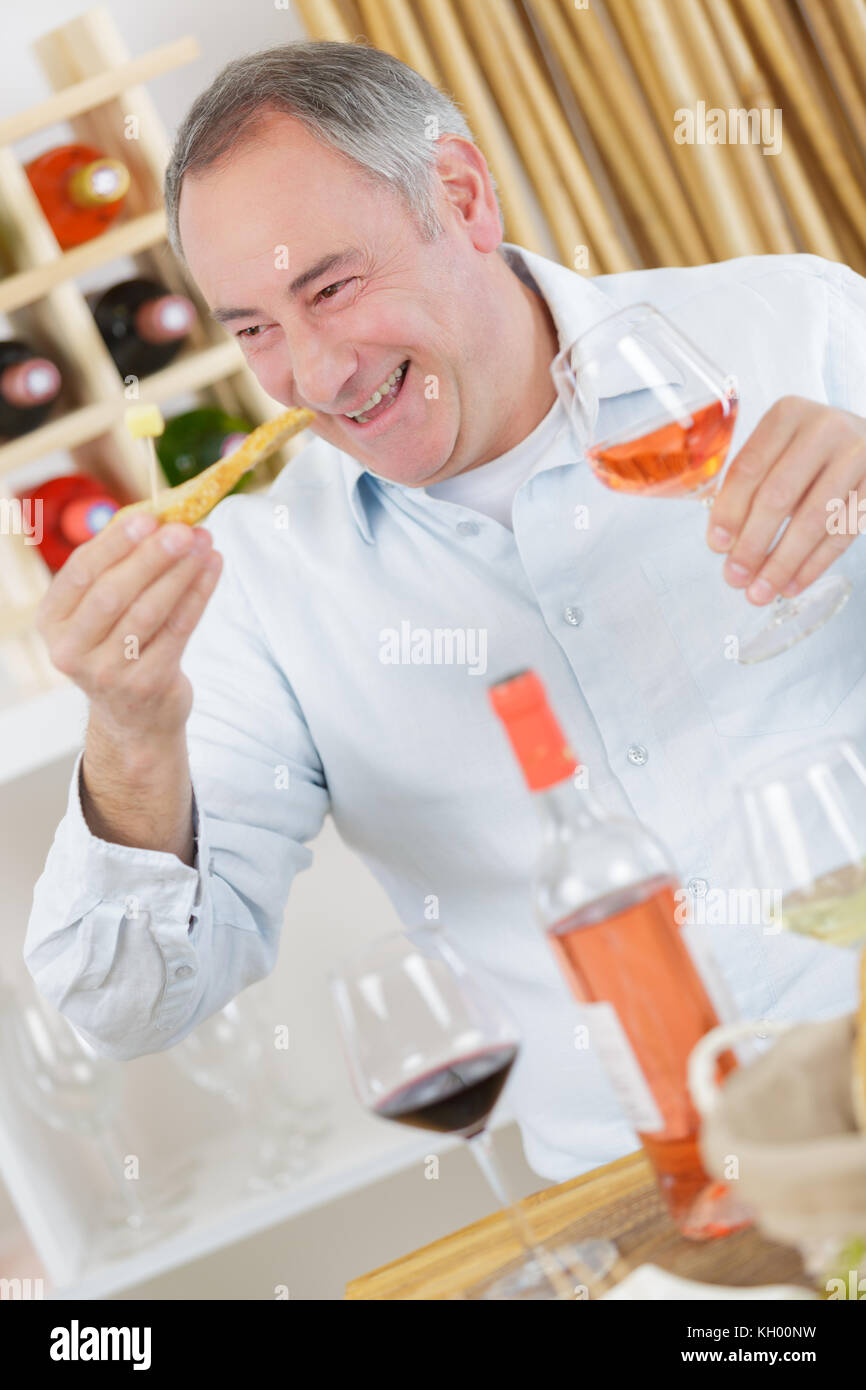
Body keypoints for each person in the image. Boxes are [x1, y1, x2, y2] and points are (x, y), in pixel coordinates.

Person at [24, 42, 866, 1183]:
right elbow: (127, 1007)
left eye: (330, 288)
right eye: (254, 328)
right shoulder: (258, 587)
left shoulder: (791, 329)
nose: (315, 374)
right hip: (653, 1211)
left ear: (462, 196)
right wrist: (127, 733)